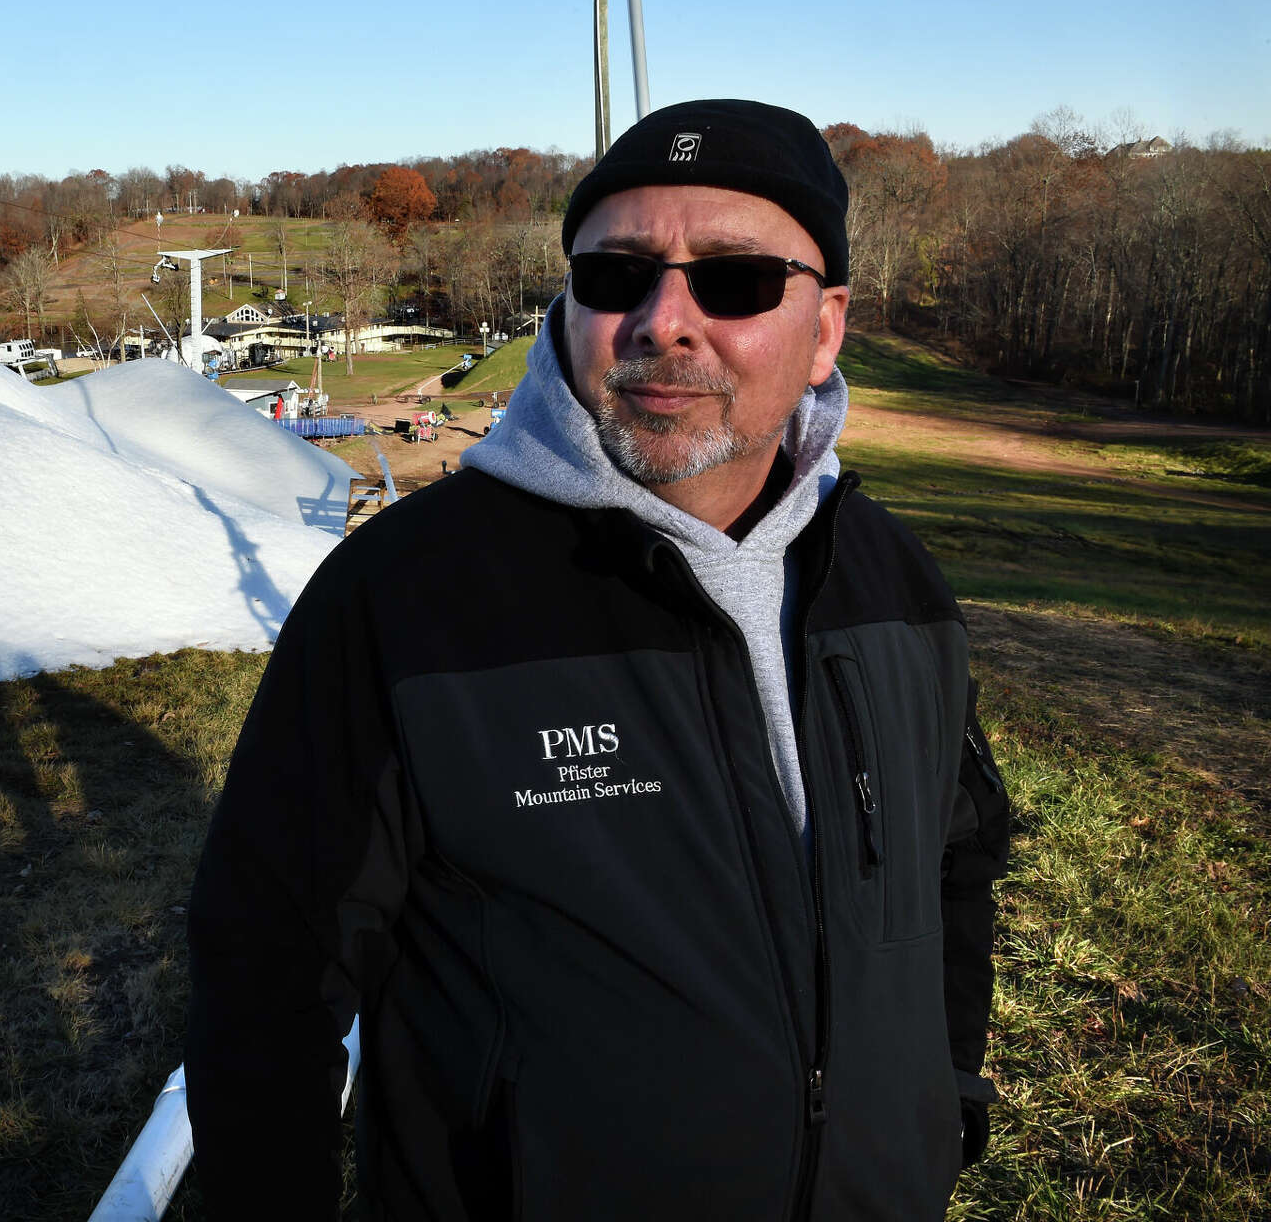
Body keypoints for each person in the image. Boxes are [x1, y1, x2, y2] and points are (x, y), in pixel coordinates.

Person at [185, 99, 1010, 1220]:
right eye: (616, 275)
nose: (663, 321)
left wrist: (943, 1100)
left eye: (735, 280)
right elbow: (266, 977)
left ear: (825, 329)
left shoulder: (895, 583)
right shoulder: (405, 599)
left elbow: (953, 864)